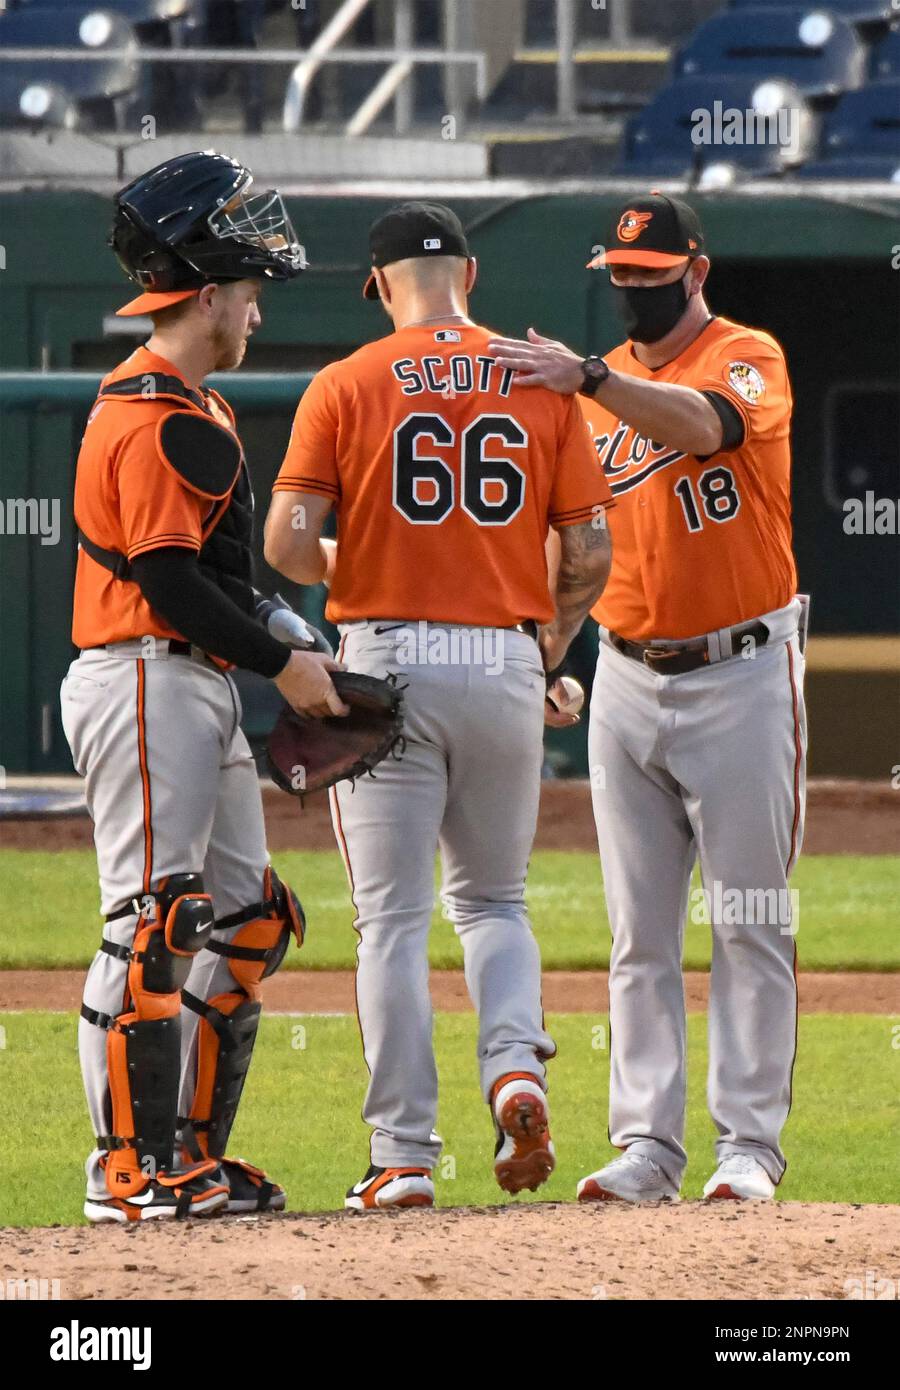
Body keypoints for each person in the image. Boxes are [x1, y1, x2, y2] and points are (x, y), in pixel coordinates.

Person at [265, 201, 614, 1211]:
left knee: (392, 922)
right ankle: (516, 1072)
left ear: (378, 285)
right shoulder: (544, 380)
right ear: (470, 275)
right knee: (495, 902)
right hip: (505, 658)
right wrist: (537, 651)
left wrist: (357, 552)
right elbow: (588, 555)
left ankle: (405, 1157)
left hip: (384, 656)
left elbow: (288, 545)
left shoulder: (345, 382)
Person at [490, 191, 807, 1204]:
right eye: (619, 275)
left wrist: (587, 377)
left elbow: (710, 429)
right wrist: (550, 650)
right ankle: (648, 1147)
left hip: (742, 668)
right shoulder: (599, 394)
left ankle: (748, 1145)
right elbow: (581, 545)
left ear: (695, 272)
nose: (632, 288)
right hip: (627, 670)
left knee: (750, 916)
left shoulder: (745, 353)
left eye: (651, 273)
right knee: (638, 931)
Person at [61, 150, 346, 1224]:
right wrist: (286, 665)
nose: (259, 303)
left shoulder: (200, 409)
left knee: (250, 918)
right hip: (142, 674)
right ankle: (123, 1174)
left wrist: (291, 635)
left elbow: (222, 576)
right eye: (249, 285)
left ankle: (191, 1158)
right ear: (209, 289)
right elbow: (170, 584)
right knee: (154, 920)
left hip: (193, 682)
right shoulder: (154, 413)